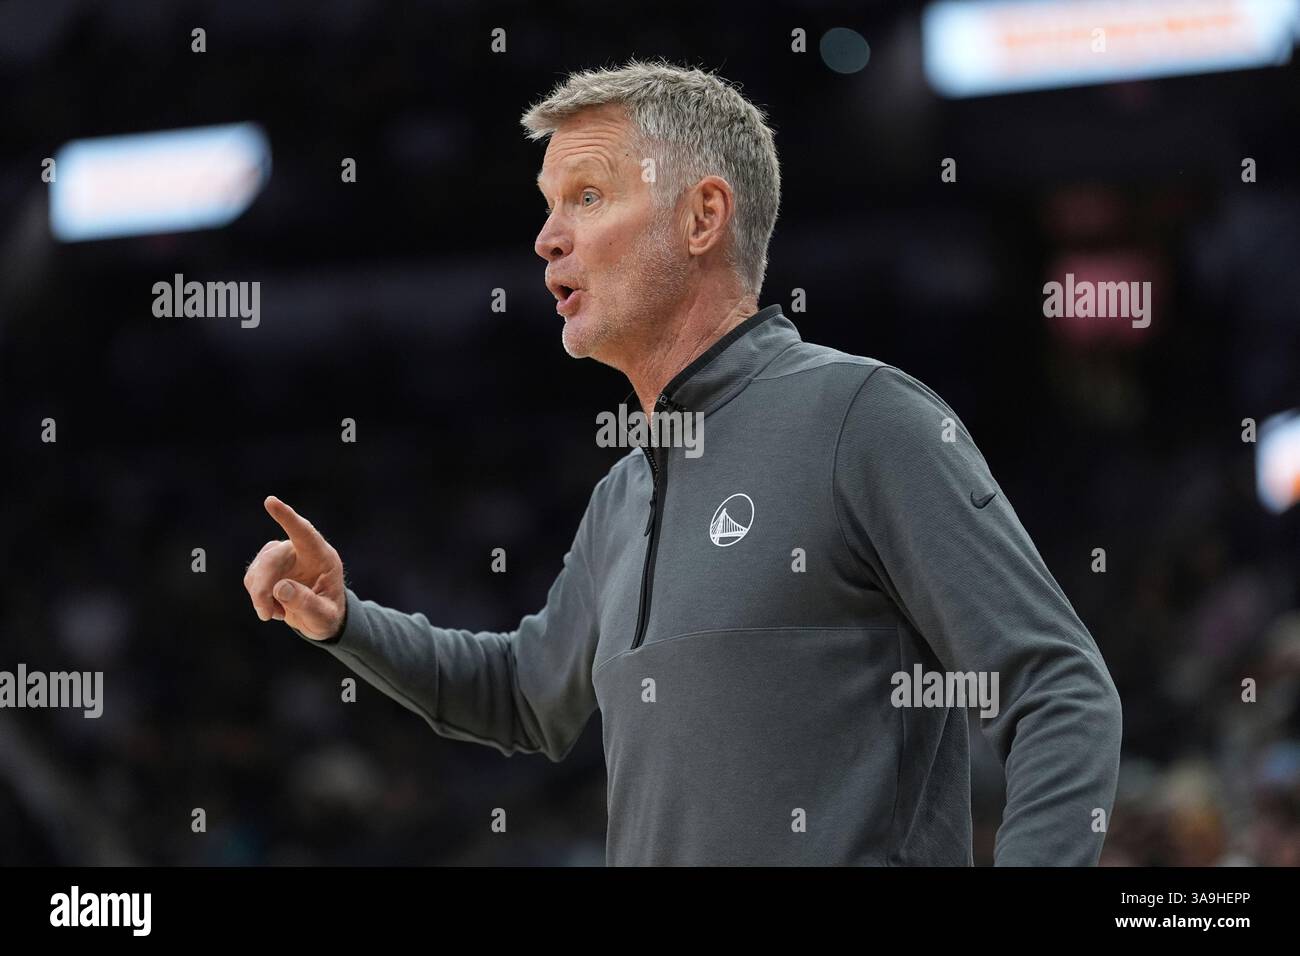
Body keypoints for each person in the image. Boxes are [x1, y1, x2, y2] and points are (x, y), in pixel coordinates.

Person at [243, 58, 1122, 865]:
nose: (549, 238)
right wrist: (343, 620)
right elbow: (522, 694)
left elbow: (1060, 690)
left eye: (587, 197)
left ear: (703, 217)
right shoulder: (623, 496)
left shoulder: (864, 418)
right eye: (546, 207)